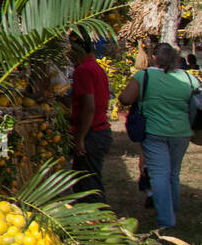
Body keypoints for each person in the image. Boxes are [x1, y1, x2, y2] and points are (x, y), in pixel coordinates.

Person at [118, 43, 197, 231]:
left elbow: (125, 99)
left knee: (159, 175)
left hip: (154, 132)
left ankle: (166, 220)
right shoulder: (188, 77)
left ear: (154, 57)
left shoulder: (144, 76)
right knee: (173, 174)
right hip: (182, 132)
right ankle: (172, 211)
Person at [69, 31, 111, 203]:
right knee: (84, 181)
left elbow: (89, 107)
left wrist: (80, 138)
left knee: (89, 184)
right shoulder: (95, 67)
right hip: (98, 130)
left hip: (92, 133)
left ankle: (98, 220)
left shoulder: (83, 70)